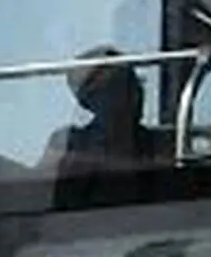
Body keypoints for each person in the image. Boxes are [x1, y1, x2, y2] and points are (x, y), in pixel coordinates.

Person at [41, 46, 170, 172]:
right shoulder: (69, 143)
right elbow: (39, 185)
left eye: (136, 84)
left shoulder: (159, 142)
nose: (136, 95)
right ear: (89, 101)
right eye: (121, 86)